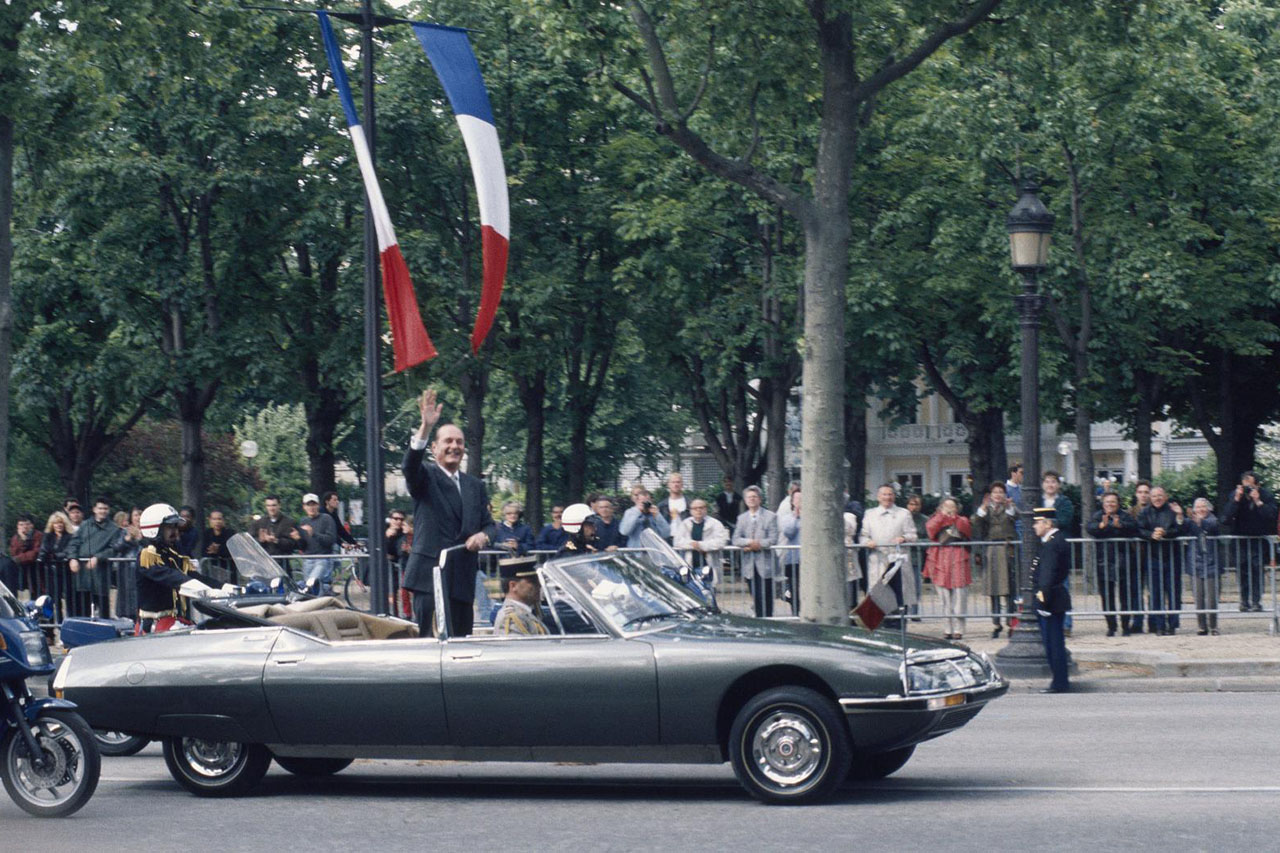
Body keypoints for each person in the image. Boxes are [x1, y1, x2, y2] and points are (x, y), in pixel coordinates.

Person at [401, 388, 494, 638]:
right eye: (448, 441)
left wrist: (483, 536)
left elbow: (489, 525)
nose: (454, 446)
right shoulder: (426, 476)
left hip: (463, 578)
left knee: (462, 645)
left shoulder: (475, 486)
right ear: (434, 448)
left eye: (459, 442)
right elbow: (409, 466)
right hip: (431, 577)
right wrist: (425, 427)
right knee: (433, 646)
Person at [135, 503, 230, 633]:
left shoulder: (172, 552)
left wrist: (224, 587)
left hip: (172, 620)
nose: (175, 532)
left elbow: (192, 575)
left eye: (175, 527)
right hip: (153, 625)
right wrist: (206, 592)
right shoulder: (147, 556)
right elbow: (173, 577)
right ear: (154, 529)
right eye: (169, 527)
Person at [1030, 507, 1072, 693]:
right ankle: (1060, 680)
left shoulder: (1052, 544)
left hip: (1051, 600)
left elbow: (1047, 576)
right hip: (1056, 598)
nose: (1034, 526)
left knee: (1053, 643)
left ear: (1047, 524)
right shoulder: (1057, 541)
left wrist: (1043, 602)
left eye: (1037, 522)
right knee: (1056, 642)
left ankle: (1059, 682)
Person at [1221, 470, 1275, 612]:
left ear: (1258, 485)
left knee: (1257, 571)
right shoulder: (1235, 495)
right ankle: (1244, 601)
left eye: (1251, 486)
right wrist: (1236, 500)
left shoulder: (1266, 495)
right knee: (1242, 571)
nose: (1248, 489)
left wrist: (1258, 501)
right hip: (1240, 541)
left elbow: (1271, 516)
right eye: (1246, 486)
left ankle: (1256, 601)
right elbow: (1225, 519)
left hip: (1258, 540)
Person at [859, 485, 919, 611]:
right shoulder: (870, 514)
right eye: (884, 494)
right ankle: (880, 626)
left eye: (890, 494)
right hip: (878, 561)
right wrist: (868, 542)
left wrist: (903, 538)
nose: (887, 497)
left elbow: (913, 535)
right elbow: (863, 536)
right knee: (878, 597)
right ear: (878, 497)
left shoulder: (904, 513)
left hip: (898, 562)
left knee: (900, 597)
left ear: (894, 496)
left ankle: (900, 626)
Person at [1090, 491, 1140, 636]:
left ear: (1118, 504)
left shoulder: (1124, 515)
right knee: (1107, 596)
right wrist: (1101, 525)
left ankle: (1125, 625)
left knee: (1126, 596)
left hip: (1124, 560)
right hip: (1104, 561)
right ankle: (1111, 626)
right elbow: (1090, 528)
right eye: (1107, 502)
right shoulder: (1097, 515)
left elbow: (1134, 527)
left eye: (1113, 502)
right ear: (1103, 504)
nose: (1110, 505)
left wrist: (1120, 526)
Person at [1138, 486, 1186, 635]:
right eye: (1154, 496)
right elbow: (1139, 529)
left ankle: (1172, 624)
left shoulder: (1173, 511)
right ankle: (1159, 625)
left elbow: (1180, 530)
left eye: (1160, 496)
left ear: (1165, 497)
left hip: (1172, 557)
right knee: (1156, 593)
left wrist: (1166, 532)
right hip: (1153, 557)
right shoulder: (1145, 512)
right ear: (1150, 498)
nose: (1157, 499)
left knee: (1173, 593)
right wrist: (1151, 535)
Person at [972, 482, 1017, 638]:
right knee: (994, 588)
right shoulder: (987, 510)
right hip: (991, 550)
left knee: (1010, 588)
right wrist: (983, 509)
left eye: (1001, 492)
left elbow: (1016, 516)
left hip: (1007, 549)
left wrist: (1010, 507)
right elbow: (976, 523)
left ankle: (1011, 621)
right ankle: (996, 623)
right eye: (995, 492)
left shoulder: (1010, 507)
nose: (998, 495)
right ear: (990, 495)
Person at [924, 497, 972, 640]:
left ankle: (959, 629)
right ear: (940, 508)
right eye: (946, 506)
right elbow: (930, 530)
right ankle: (947, 628)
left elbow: (966, 529)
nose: (950, 509)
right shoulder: (935, 519)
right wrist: (942, 516)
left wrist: (953, 518)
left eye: (953, 507)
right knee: (944, 597)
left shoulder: (962, 519)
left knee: (959, 595)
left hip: (958, 557)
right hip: (940, 558)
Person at [68, 498, 120, 618]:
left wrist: (98, 557)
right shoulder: (85, 525)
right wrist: (72, 558)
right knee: (82, 608)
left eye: (105, 508)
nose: (103, 511)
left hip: (101, 573)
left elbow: (114, 549)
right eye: (100, 508)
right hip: (83, 573)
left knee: (103, 609)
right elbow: (74, 543)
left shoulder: (114, 529)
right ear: (94, 509)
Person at [733, 485, 779, 617]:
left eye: (754, 497)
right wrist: (749, 543)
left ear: (760, 499)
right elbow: (736, 539)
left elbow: (773, 539)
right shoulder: (741, 518)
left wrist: (758, 544)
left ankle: (768, 620)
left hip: (765, 564)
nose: (752, 499)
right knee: (755, 595)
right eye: (749, 497)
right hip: (749, 565)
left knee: (766, 596)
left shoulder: (770, 516)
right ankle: (760, 619)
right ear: (745, 500)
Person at [1185, 497, 1223, 636]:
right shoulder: (1190, 522)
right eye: (1198, 507)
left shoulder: (1213, 520)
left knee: (1212, 597)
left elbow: (1212, 527)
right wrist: (1178, 516)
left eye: (1203, 506)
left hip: (1212, 563)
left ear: (1209, 508)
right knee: (1198, 597)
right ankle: (1201, 626)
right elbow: (1182, 527)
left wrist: (1200, 521)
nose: (1201, 509)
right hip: (1195, 563)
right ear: (1194, 509)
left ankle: (1213, 626)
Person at [674, 498, 729, 586]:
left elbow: (721, 541)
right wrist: (692, 544)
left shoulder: (715, 523)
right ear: (691, 511)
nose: (698, 510)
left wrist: (701, 545)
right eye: (695, 508)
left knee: (710, 592)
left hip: (709, 565)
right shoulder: (685, 524)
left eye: (701, 507)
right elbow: (677, 541)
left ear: (706, 509)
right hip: (690, 565)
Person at [492, 556, 549, 636]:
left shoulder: (525, 612)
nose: (539, 585)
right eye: (532, 582)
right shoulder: (511, 618)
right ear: (513, 586)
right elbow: (516, 647)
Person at [293, 493, 337, 593]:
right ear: (304, 507)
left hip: (322, 558)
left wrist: (314, 534)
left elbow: (331, 540)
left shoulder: (327, 519)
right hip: (307, 559)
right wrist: (297, 539)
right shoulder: (303, 521)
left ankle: (326, 590)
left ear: (318, 505)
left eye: (313, 504)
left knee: (311, 583)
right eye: (308, 505)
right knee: (312, 589)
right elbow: (303, 546)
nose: (311, 507)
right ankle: (326, 592)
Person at [39, 512, 74, 615]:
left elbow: (68, 551)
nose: (58, 525)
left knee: (69, 599)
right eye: (56, 523)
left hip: (66, 572)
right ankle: (57, 623)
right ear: (52, 525)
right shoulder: (48, 536)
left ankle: (69, 621)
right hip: (51, 573)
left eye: (61, 523)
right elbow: (43, 551)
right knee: (54, 600)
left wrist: (55, 556)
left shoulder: (70, 536)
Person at [778, 489, 802, 615]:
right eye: (797, 499)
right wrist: (796, 516)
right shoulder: (787, 518)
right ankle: (796, 615)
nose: (799, 501)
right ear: (792, 501)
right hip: (793, 560)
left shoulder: (811, 517)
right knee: (795, 590)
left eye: (801, 499)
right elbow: (789, 532)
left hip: (808, 561)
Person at [9, 514, 42, 597]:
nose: (24, 527)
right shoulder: (15, 538)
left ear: (32, 525)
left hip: (36, 573)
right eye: (21, 524)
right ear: (17, 526)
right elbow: (13, 553)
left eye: (27, 524)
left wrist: (19, 558)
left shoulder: (38, 535)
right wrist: (22, 539)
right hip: (21, 573)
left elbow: (35, 553)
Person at [202, 510, 235, 578]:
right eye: (214, 519)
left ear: (223, 520)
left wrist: (219, 550)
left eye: (219, 519)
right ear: (210, 520)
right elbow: (204, 550)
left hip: (228, 569)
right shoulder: (207, 533)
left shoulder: (230, 533)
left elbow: (232, 551)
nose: (217, 522)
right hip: (212, 569)